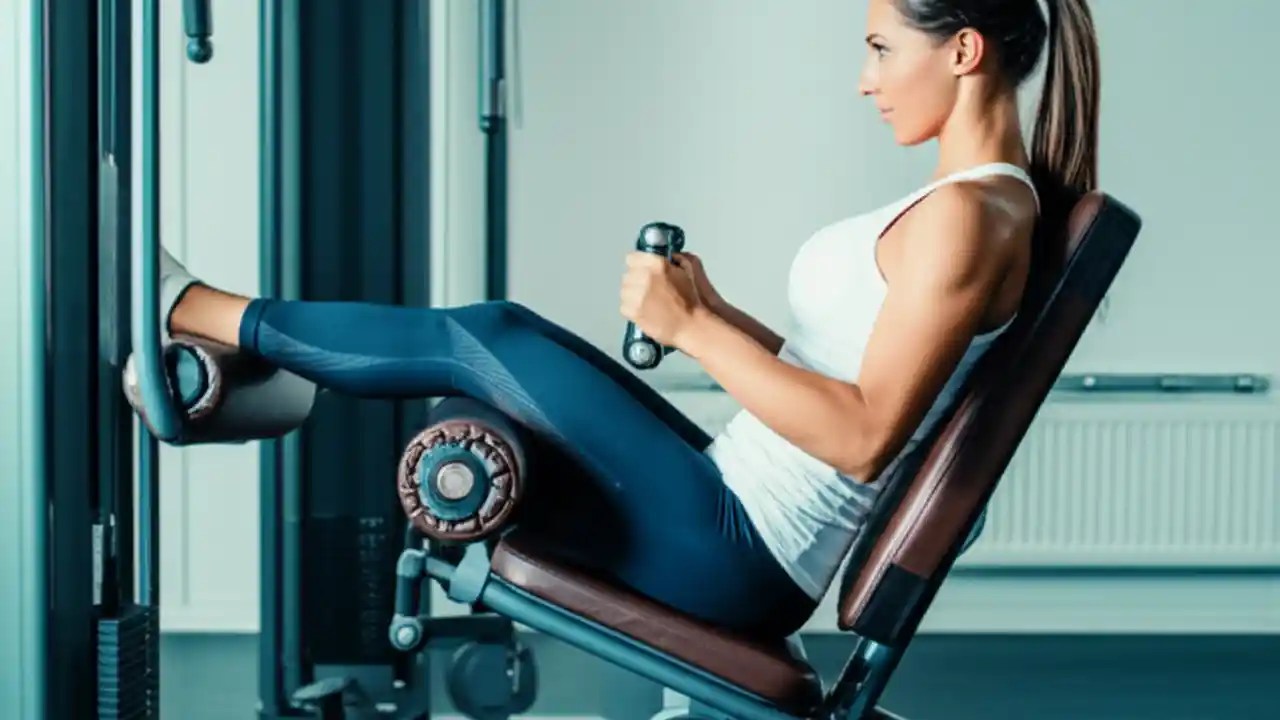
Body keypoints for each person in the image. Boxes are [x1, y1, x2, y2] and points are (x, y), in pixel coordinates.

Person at [134, 0, 1100, 640]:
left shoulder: (973, 217)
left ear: (963, 50)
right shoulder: (971, 207)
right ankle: (229, 329)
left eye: (883, 48)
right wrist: (717, 310)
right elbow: (843, 378)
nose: (865, 77)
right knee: (500, 332)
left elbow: (859, 439)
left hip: (739, 554)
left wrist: (691, 329)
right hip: (729, 508)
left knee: (483, 339)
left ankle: (183, 307)